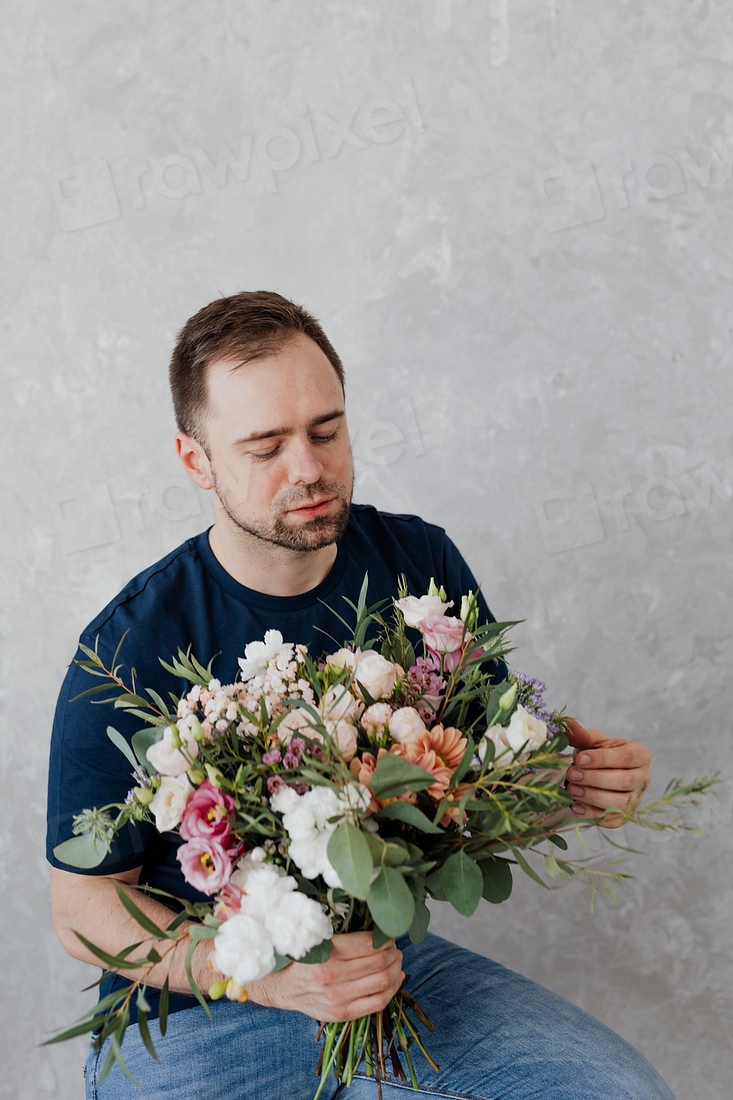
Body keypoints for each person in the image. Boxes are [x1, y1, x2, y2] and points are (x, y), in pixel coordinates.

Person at [47, 291, 672, 1100]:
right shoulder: (130, 644)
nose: (308, 468)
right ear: (195, 461)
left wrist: (578, 787)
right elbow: (83, 907)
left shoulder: (418, 563)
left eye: (326, 431)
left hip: (379, 971)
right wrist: (263, 978)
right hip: (197, 1011)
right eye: (265, 446)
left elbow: (484, 786)